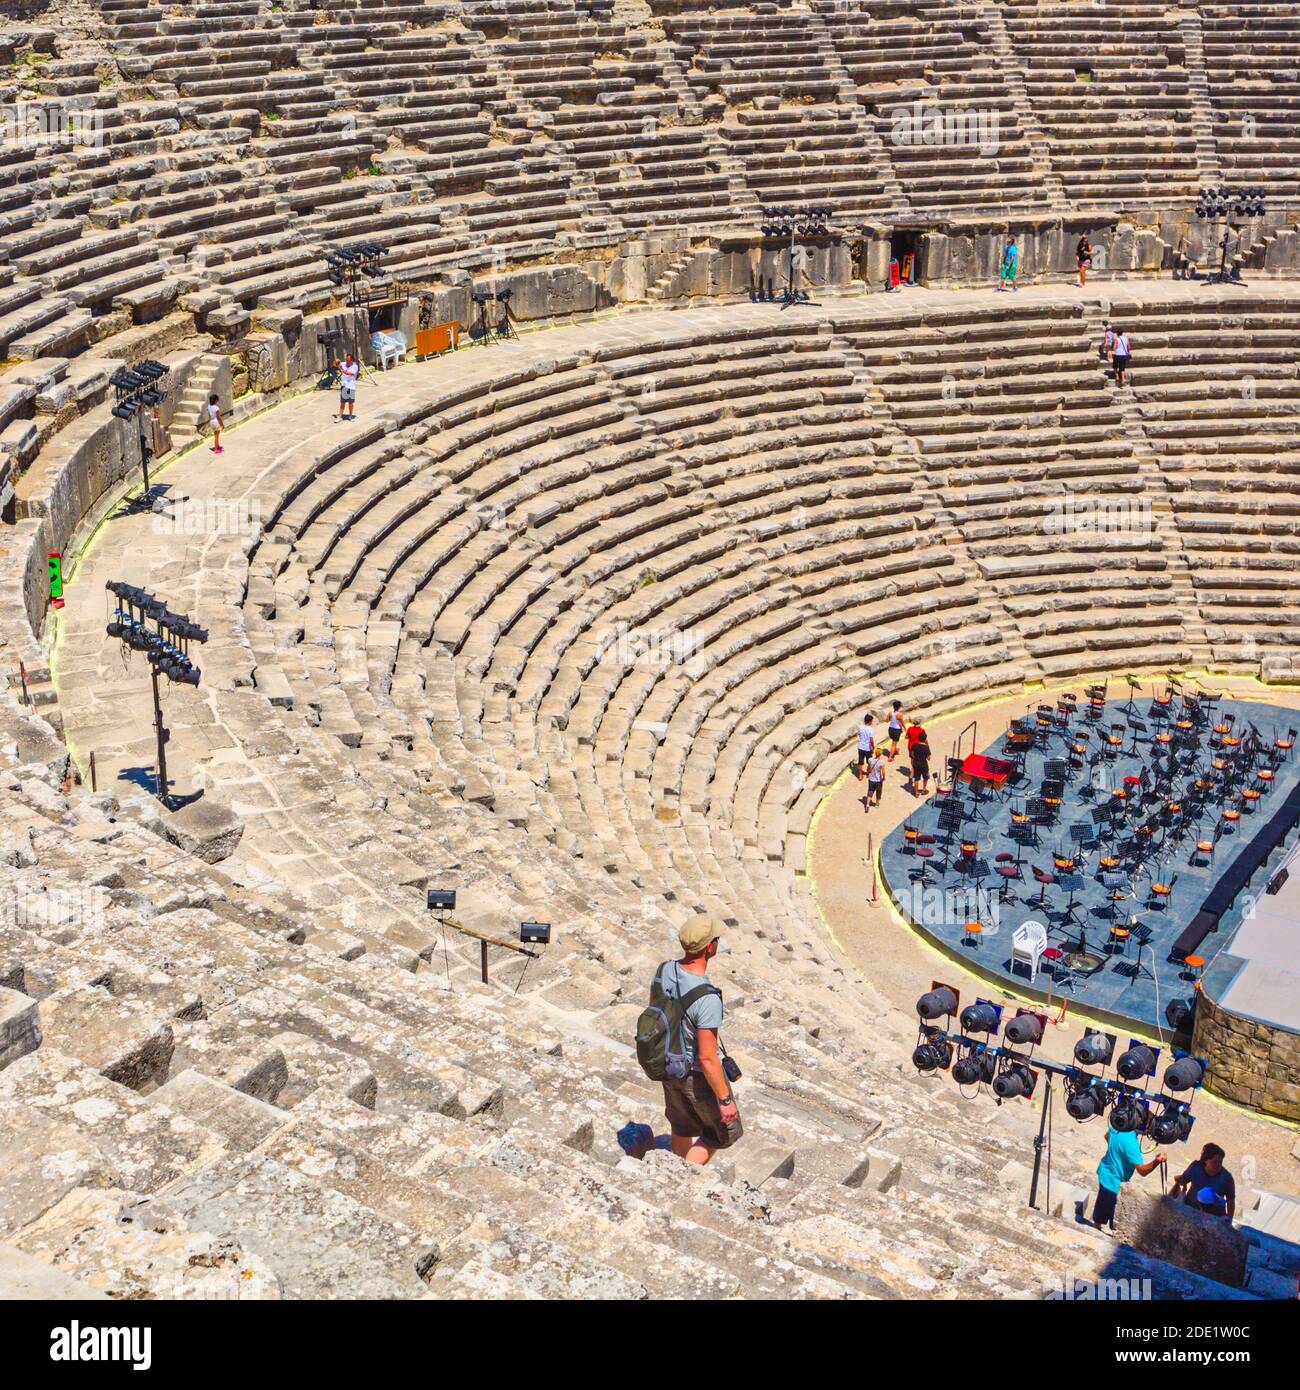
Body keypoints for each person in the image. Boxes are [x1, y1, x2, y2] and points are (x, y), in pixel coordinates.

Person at [653, 915, 741, 1166]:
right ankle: (680, 1176)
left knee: (681, 1124)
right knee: (722, 1133)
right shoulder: (707, 998)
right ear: (710, 947)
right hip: (694, 1075)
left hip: (667, 1062)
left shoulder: (664, 970)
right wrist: (725, 1100)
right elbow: (707, 1057)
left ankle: (675, 1163)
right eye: (716, 939)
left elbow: (654, 1011)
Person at [1080, 1127, 1166, 1230]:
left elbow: (1107, 1136)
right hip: (1113, 1182)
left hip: (1105, 1171)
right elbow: (1142, 1171)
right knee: (1104, 1216)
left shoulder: (1118, 1127)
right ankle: (1096, 1229)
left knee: (1103, 1208)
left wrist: (1117, 1153)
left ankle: (1098, 1225)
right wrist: (1156, 1161)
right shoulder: (1131, 1144)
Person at [1170, 1143, 1235, 1222]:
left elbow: (1230, 1200)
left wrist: (1229, 1220)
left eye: (1220, 1162)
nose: (1218, 1165)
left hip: (1213, 1220)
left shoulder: (1226, 1178)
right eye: (1214, 1162)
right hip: (1190, 1212)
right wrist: (1179, 1180)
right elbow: (1184, 1180)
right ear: (1206, 1160)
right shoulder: (1196, 1167)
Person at [335, 352, 359, 421]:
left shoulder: (355, 366)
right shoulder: (343, 364)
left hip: (351, 387)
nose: (346, 361)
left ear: (352, 360)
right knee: (342, 402)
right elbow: (336, 363)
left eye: (348, 360)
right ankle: (340, 416)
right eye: (346, 359)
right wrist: (337, 361)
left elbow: (349, 374)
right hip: (344, 386)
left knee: (350, 403)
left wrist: (342, 369)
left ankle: (350, 416)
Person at [856, 712, 876, 780]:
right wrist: (873, 747)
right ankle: (868, 773)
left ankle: (860, 775)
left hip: (861, 747)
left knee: (860, 762)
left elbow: (858, 735)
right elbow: (871, 740)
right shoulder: (871, 730)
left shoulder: (860, 727)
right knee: (869, 761)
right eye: (871, 721)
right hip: (868, 748)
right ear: (869, 721)